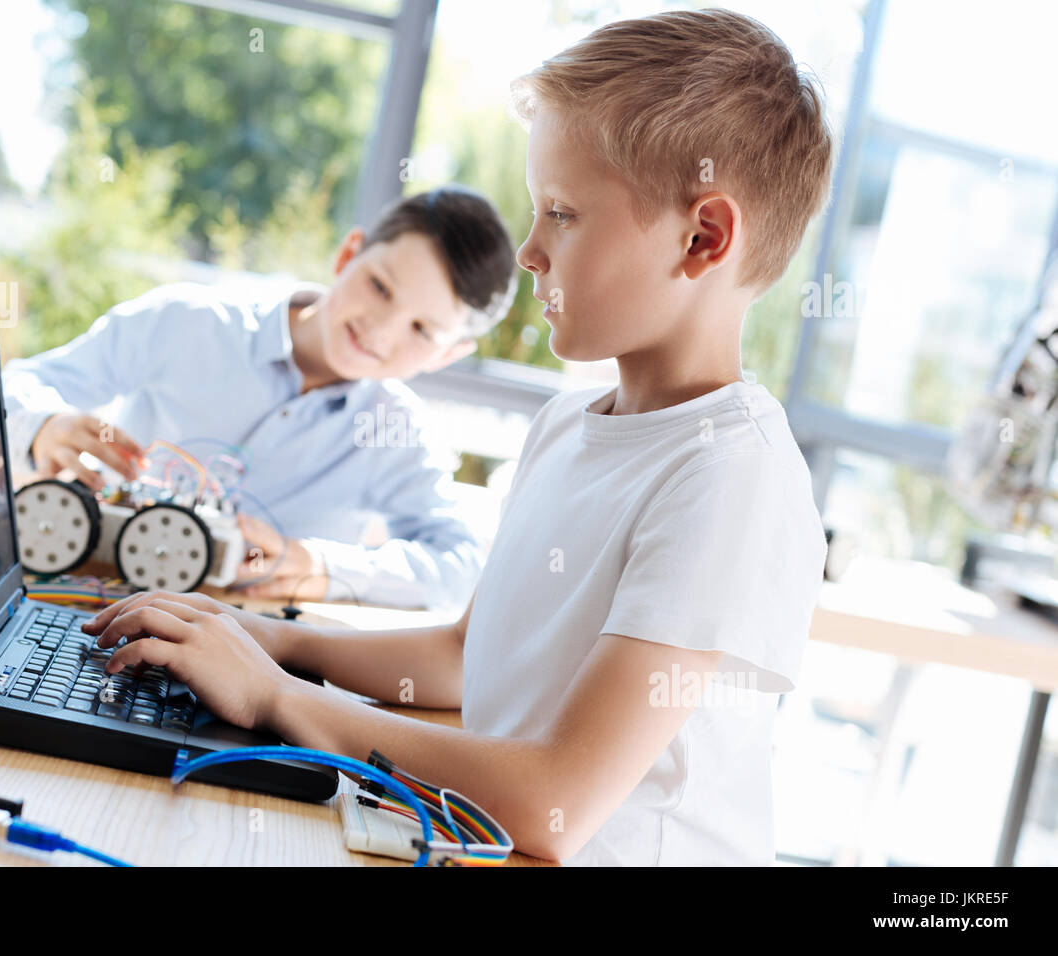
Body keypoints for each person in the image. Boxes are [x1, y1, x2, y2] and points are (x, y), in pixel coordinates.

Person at [80, 8, 833, 864]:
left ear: (703, 238)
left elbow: (552, 808)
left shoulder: (731, 479)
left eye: (562, 213)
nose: (529, 252)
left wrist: (279, 697)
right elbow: (465, 654)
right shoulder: (570, 424)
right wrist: (267, 638)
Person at [1, 186, 517, 610]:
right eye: (380, 287)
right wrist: (42, 423)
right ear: (347, 254)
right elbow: (9, 385)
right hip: (81, 597)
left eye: (423, 329)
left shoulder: (397, 432)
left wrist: (322, 566)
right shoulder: (184, 323)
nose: (380, 330)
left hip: (240, 655)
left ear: (447, 355)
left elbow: (464, 565)